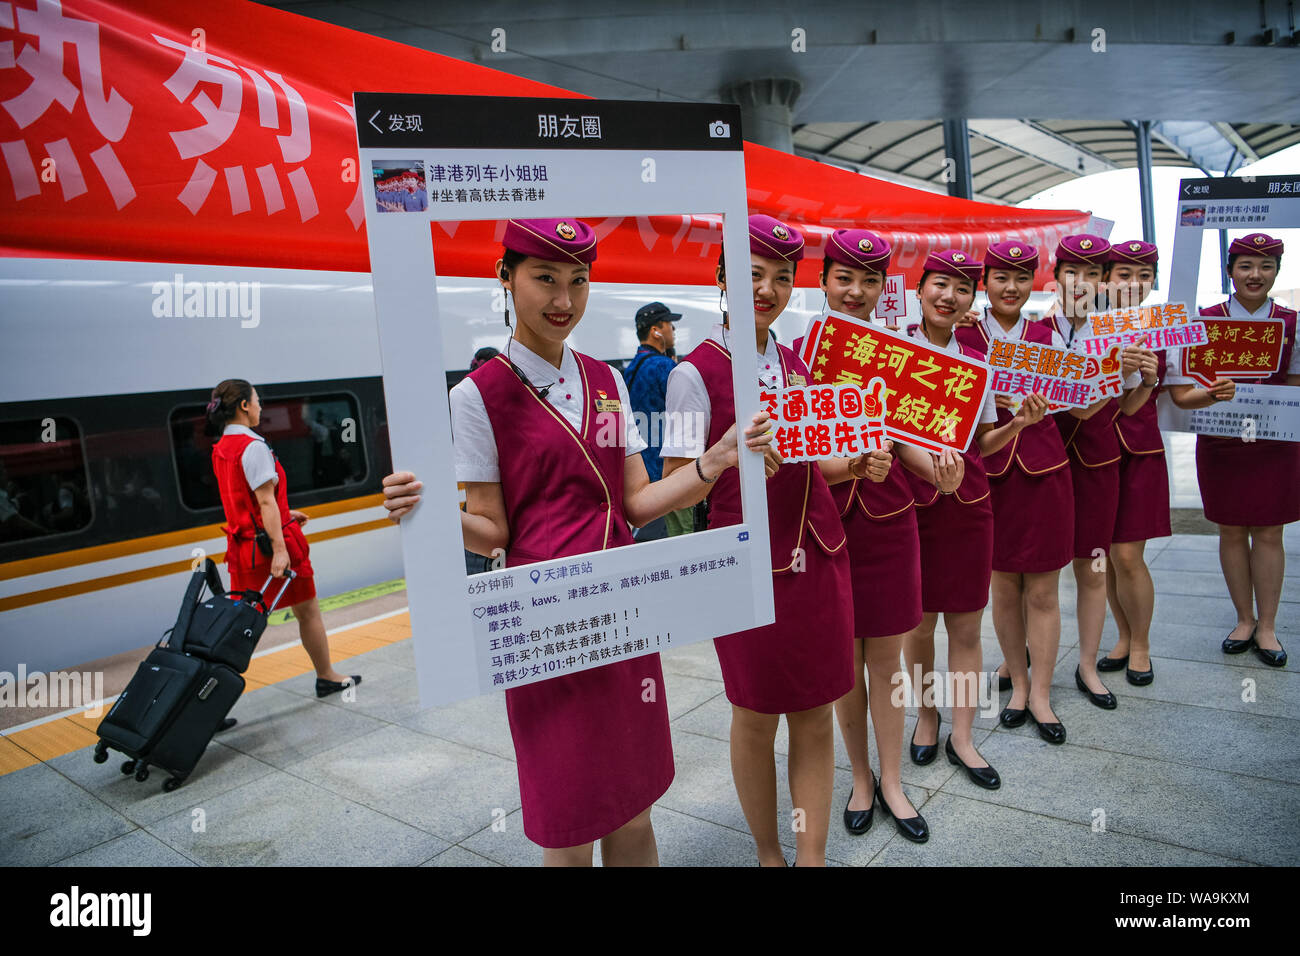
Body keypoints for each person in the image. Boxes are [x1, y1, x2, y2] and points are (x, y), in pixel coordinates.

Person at [381, 218, 775, 866]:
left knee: (635, 807)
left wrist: (715, 462)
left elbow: (637, 501)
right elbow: (493, 531)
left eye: (578, 280)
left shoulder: (608, 381)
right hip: (547, 631)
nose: (564, 300)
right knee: (567, 827)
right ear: (506, 279)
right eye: (545, 279)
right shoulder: (476, 398)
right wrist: (429, 513)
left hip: (622, 618)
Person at [661, 214, 878, 865]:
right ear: (722, 278)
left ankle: (809, 855)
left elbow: (820, 465)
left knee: (815, 712)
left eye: (782, 277)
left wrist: (859, 461)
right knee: (755, 717)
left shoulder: (799, 363)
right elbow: (676, 486)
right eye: (753, 274)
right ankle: (766, 852)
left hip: (818, 561)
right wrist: (734, 459)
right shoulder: (692, 375)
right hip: (743, 567)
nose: (768, 288)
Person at [794, 229, 944, 842]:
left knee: (886, 660)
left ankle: (893, 780)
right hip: (826, 524)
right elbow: (795, 445)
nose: (856, 291)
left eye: (870, 280)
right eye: (844, 278)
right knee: (844, 664)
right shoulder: (795, 354)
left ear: (885, 287)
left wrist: (941, 470)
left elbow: (912, 438)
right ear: (823, 280)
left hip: (888, 524)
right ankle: (858, 777)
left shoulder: (902, 352)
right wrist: (847, 460)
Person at [905, 250, 1047, 792]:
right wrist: (927, 470)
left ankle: (963, 734)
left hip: (966, 502)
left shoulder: (976, 360)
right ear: (920, 291)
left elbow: (983, 439)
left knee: (965, 624)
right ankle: (925, 714)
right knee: (917, 624)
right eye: (940, 285)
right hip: (909, 507)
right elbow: (885, 439)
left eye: (962, 289)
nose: (950, 297)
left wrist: (1017, 426)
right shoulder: (892, 351)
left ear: (972, 298)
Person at [955, 241, 1073, 743]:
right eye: (1001, 277)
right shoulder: (963, 336)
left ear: (1033, 284)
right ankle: (1019, 683)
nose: (1011, 287)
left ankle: (1042, 693)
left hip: (1045, 475)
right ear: (985, 282)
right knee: (1003, 588)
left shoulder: (1050, 336)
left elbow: (1078, 403)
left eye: (1021, 278)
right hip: (991, 476)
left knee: (1044, 591)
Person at [1164, 232, 1296, 668]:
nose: (1255, 275)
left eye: (1265, 266)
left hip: (1273, 444)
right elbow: (1182, 395)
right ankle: (1243, 619)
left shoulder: (1293, 323)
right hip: (1221, 440)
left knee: (1271, 532)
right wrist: (1212, 395)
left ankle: (1269, 625)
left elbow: (1295, 387)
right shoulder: (1202, 321)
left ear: (1277, 270)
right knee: (1231, 530)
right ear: (1230, 271)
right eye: (1245, 266)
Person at [1040, 234, 1148, 717]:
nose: (1080, 283)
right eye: (1071, 272)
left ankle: (1085, 663)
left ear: (1104, 280)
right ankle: (1022, 661)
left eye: (1092, 274)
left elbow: (1126, 406)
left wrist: (1144, 380)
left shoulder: (1118, 333)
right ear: (1056, 274)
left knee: (1093, 566)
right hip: (1037, 464)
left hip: (1096, 463)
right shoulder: (1030, 330)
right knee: (1033, 572)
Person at [207, 380, 360, 702]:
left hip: (244, 548)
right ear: (245, 406)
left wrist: (287, 513)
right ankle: (327, 676)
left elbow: (248, 500)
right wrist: (279, 547)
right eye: (257, 401)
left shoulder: (222, 447)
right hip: (271, 547)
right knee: (308, 612)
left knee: (238, 626)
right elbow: (264, 502)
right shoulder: (254, 446)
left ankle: (204, 695)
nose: (261, 407)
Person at [1099, 240, 1166, 684]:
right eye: (1124, 274)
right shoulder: (1081, 326)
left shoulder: (1166, 328)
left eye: (1144, 276)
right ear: (1105, 279)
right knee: (1101, 554)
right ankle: (1122, 635)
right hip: (1093, 452)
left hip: (1140, 454)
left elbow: (1179, 394)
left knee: (1127, 555)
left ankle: (1140, 642)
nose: (1134, 284)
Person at [624, 301, 691, 541]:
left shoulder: (631, 368)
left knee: (670, 536)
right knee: (688, 531)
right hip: (672, 467)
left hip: (644, 467)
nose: (673, 331)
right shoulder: (664, 366)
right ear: (656, 330)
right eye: (670, 325)